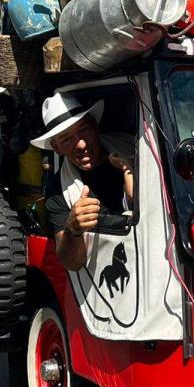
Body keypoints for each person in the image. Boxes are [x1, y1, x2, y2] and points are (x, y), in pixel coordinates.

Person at [32, 93, 134, 272]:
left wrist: (129, 169)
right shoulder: (57, 190)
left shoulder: (134, 147)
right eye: (66, 139)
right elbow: (72, 263)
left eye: (84, 130)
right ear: (57, 148)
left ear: (95, 126)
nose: (80, 144)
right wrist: (72, 229)